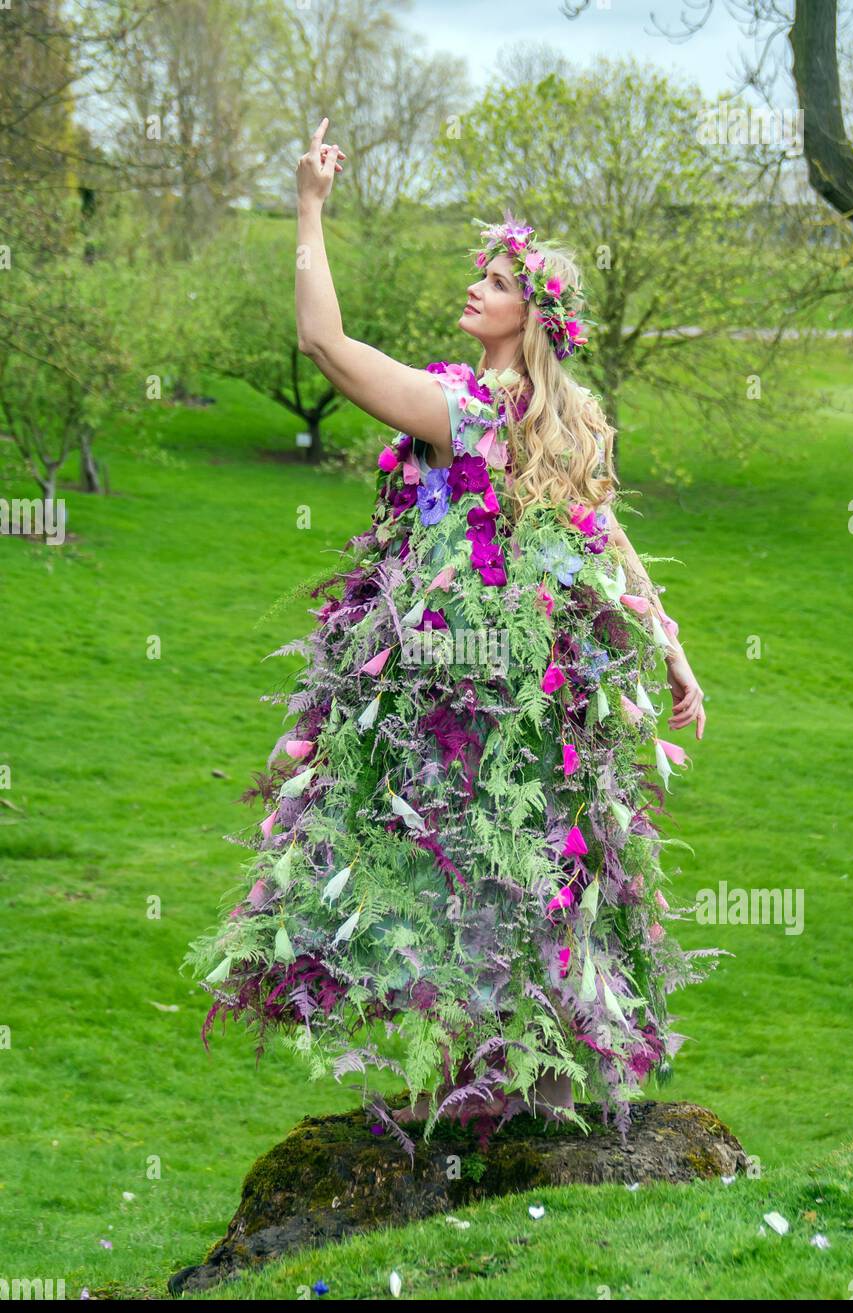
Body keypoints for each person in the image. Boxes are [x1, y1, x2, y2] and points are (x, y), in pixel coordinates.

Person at [182, 118, 723, 1156]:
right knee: (504, 866)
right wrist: (669, 644)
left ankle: (505, 1083)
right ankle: (507, 1080)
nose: (473, 286)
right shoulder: (500, 413)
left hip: (476, 691)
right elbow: (601, 530)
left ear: (533, 314)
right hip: (498, 685)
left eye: (494, 279)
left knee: (483, 862)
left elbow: (328, 352)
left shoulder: (480, 412)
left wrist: (307, 205)